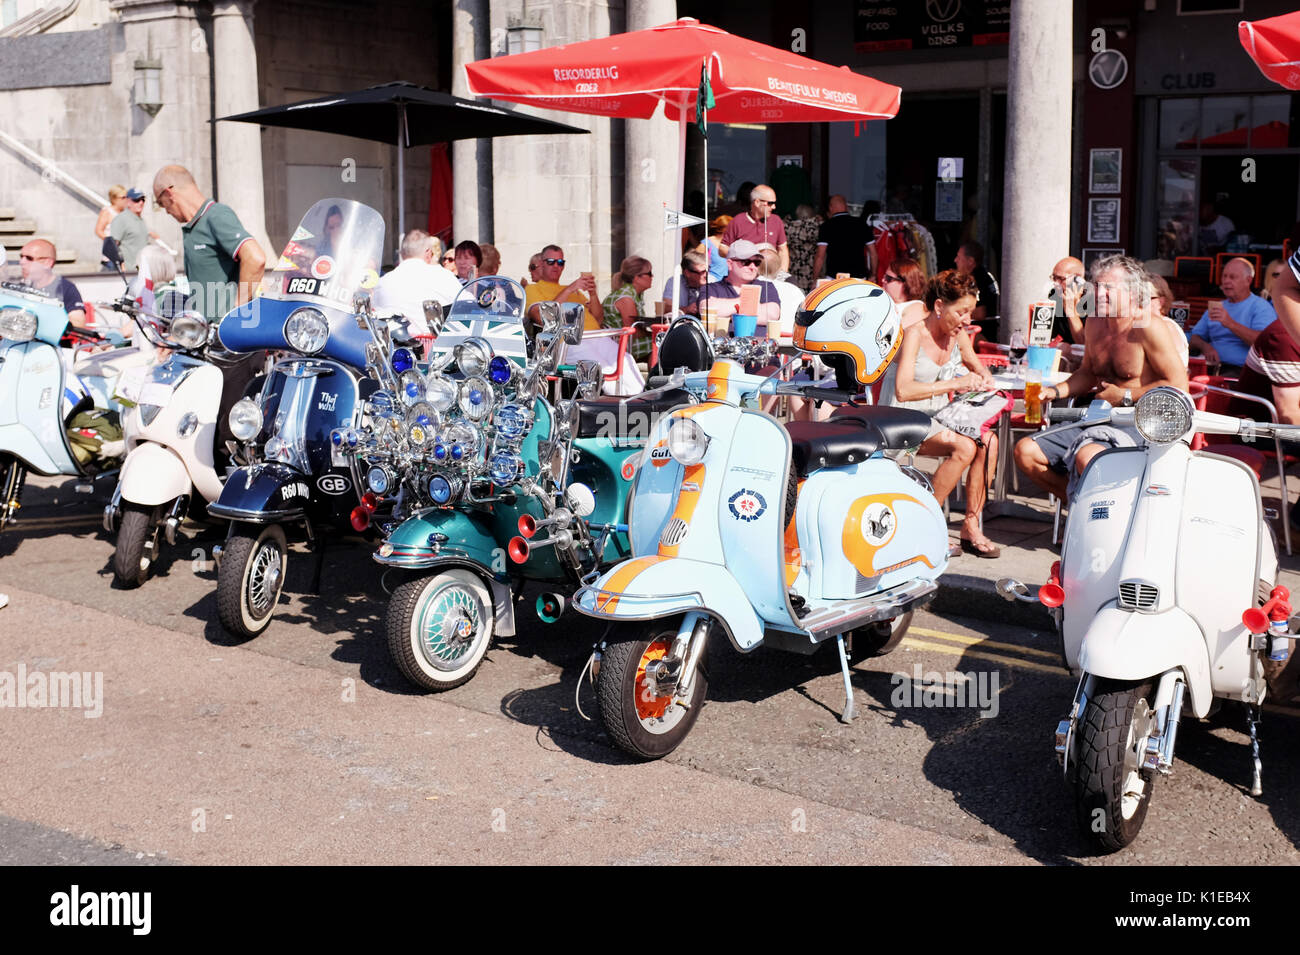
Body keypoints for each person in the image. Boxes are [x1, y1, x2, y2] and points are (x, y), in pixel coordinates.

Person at [1014, 255, 1190, 503]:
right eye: (1096, 286)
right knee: (1025, 451)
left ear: (1132, 292)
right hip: (1099, 415)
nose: (1099, 293)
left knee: (1088, 457)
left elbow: (1179, 385)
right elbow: (1087, 373)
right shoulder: (1095, 323)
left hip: (1140, 421)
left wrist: (1125, 395)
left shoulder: (1147, 325)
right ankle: (1080, 508)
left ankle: (1100, 515)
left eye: (1109, 288)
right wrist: (1052, 392)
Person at [881, 270, 1001, 558]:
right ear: (938, 307)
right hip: (900, 420)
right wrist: (957, 383)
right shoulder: (915, 333)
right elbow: (904, 391)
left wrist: (984, 378)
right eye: (961, 312)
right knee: (964, 446)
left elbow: (976, 364)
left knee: (990, 442)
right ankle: (926, 524)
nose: (967, 320)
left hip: (938, 417)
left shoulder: (956, 334)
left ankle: (971, 525)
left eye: (970, 312)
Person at [151, 164, 265, 324]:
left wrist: (238, 311)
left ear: (169, 193)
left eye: (161, 203)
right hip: (208, 338)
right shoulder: (196, 226)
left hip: (227, 339)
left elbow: (255, 259)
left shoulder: (216, 215)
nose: (166, 211)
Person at [1186, 256, 1275, 375]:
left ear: (1248, 280)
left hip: (1241, 371)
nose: (1226, 281)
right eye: (1224, 276)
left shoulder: (1260, 307)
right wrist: (1205, 347)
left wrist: (1229, 323)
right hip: (1209, 366)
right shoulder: (1217, 306)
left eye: (1232, 277)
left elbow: (1264, 344)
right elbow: (1194, 338)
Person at [373, 229, 465, 336]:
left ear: (402, 254)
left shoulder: (382, 282)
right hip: (431, 348)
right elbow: (469, 305)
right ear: (429, 253)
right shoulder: (443, 276)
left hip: (392, 348)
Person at [699, 240, 781, 327]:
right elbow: (707, 311)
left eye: (757, 263)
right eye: (745, 262)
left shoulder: (766, 287)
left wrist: (727, 313)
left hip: (758, 340)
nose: (752, 267)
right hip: (724, 339)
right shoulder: (711, 288)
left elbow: (772, 315)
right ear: (730, 264)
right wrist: (748, 303)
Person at [18, 239, 86, 332]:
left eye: (29, 258)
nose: (22, 262)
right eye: (21, 256)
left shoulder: (65, 288)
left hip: (53, 345)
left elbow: (78, 324)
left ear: (47, 262)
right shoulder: (19, 287)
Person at [524, 244, 598, 329]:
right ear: (542, 264)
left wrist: (593, 294)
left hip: (597, 335)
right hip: (572, 339)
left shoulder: (575, 291)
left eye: (560, 262)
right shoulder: (532, 289)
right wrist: (569, 289)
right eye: (550, 261)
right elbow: (542, 319)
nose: (556, 266)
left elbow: (598, 320)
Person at [720, 184, 789, 273]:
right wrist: (745, 255)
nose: (774, 207)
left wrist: (782, 274)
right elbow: (722, 249)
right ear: (757, 202)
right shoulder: (738, 221)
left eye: (775, 203)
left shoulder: (776, 221)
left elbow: (783, 250)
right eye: (770, 203)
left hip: (772, 276)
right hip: (746, 275)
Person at [601, 255, 654, 361]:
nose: (652, 276)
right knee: (660, 342)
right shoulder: (626, 298)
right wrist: (653, 333)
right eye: (649, 273)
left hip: (624, 342)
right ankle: (655, 377)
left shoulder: (633, 294)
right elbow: (632, 332)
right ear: (636, 277)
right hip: (621, 345)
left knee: (661, 340)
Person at [813, 194, 870, 282]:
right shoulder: (862, 224)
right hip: (859, 278)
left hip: (834, 278)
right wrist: (873, 275)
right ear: (846, 207)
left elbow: (820, 256)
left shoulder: (826, 226)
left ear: (831, 208)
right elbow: (873, 254)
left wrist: (815, 279)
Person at [757, 246, 805, 337]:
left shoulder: (754, 288)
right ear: (779, 268)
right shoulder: (795, 289)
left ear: (756, 267)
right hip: (793, 340)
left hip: (766, 340)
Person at [954, 241, 999, 336]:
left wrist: (954, 313)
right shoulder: (979, 275)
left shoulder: (980, 279)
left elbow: (980, 313)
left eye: (959, 257)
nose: (955, 260)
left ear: (970, 261)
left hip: (983, 333)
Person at [108, 188, 158, 270]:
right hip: (130, 272)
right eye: (136, 200)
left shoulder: (140, 220)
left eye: (143, 199)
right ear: (128, 201)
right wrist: (122, 269)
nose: (141, 203)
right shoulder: (121, 219)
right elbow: (112, 247)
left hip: (143, 270)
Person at [1047, 256, 1087, 344]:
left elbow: (1085, 343)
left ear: (1078, 281)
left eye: (1061, 279)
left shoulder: (1095, 302)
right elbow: (1051, 338)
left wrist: (1070, 310)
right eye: (1054, 278)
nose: (1055, 283)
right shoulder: (1055, 295)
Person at [784, 203, 821, 292]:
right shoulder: (814, 228)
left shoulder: (789, 228)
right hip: (810, 268)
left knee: (794, 291)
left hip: (793, 266)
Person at [661, 250, 708, 316]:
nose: (706, 275)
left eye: (707, 271)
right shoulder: (675, 282)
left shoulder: (712, 282)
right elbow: (664, 309)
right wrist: (686, 309)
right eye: (702, 272)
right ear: (687, 273)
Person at [95, 185, 128, 269]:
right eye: (123, 197)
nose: (126, 200)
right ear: (114, 198)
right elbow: (98, 230)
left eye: (127, 197)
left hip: (125, 255)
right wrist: (112, 242)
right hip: (111, 257)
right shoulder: (107, 212)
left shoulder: (125, 212)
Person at [698, 215, 730, 283]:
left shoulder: (732, 244)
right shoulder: (707, 242)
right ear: (724, 228)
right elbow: (694, 261)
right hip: (711, 282)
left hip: (727, 285)